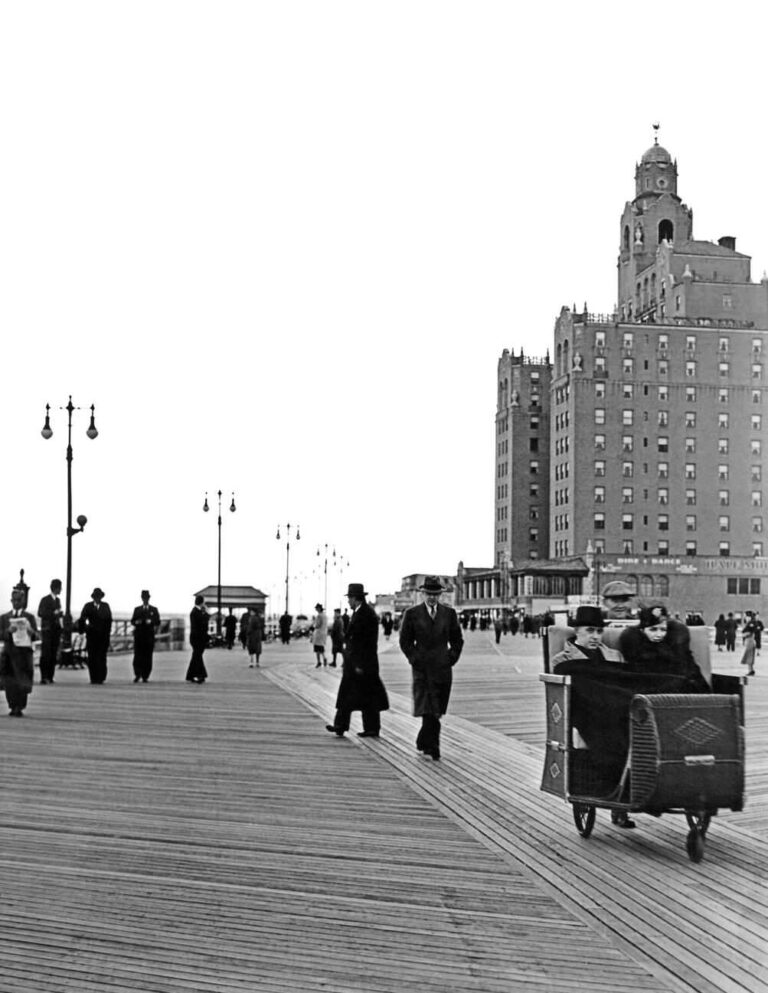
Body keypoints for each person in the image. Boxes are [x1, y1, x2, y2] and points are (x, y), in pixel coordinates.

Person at [398, 576, 464, 761]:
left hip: (442, 669)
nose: (432, 598)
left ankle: (423, 741)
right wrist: (414, 659)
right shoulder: (412, 614)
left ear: (440, 595)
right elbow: (405, 641)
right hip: (422, 669)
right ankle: (434, 747)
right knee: (429, 709)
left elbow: (457, 640)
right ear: (423, 594)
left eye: (435, 594)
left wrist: (451, 658)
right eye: (429, 594)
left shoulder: (449, 614)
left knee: (437, 710)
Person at [326, 583, 389, 738]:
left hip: (362, 664)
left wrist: (360, 664)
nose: (348, 602)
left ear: (355, 599)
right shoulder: (361, 612)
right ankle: (342, 725)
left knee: (366, 697)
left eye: (349, 598)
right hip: (356, 662)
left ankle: (368, 728)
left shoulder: (366, 615)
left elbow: (367, 643)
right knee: (354, 695)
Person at [618, 604, 709, 692]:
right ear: (642, 630)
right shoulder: (638, 650)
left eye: (663, 630)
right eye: (653, 629)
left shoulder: (677, 648)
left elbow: (692, 672)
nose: (659, 634)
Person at [0, 588, 38, 716]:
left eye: (19, 600)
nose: (16, 603)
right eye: (14, 600)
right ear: (11, 601)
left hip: (23, 654)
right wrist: (8, 632)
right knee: (10, 682)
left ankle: (20, 706)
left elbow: (36, 636)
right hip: (9, 654)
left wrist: (31, 632)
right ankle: (12, 706)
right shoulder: (4, 618)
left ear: (23, 601)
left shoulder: (29, 617)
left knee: (22, 682)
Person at [77, 587, 113, 684]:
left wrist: (107, 635)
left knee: (102, 656)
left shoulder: (105, 606)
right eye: (96, 597)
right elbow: (82, 619)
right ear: (93, 597)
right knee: (92, 657)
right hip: (92, 635)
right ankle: (93, 677)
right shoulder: (88, 606)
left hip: (103, 636)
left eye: (99, 597)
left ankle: (101, 677)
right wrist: (83, 629)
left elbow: (109, 621)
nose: (97, 598)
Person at [130, 590, 161, 683]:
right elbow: (132, 621)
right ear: (142, 598)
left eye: (146, 598)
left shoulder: (153, 610)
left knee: (148, 656)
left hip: (148, 636)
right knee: (137, 656)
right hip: (139, 636)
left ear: (148, 598)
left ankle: (145, 675)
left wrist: (151, 622)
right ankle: (137, 674)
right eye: (144, 598)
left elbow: (158, 621)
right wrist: (136, 622)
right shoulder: (137, 609)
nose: (145, 599)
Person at [37, 578, 63, 684]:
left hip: (55, 630)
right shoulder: (45, 600)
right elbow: (40, 613)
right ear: (56, 588)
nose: (61, 590)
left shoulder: (57, 600)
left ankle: (50, 676)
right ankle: (44, 677)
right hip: (47, 630)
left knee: (53, 653)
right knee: (46, 653)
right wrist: (54, 613)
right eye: (60, 588)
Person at [186, 595, 209, 683]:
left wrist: (204, 612)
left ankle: (191, 675)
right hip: (197, 638)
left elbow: (206, 618)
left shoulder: (198, 611)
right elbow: (200, 624)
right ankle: (200, 675)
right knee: (198, 656)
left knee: (196, 656)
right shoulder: (194, 612)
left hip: (199, 638)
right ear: (201, 602)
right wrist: (204, 613)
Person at [312, 603, 328, 668]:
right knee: (321, 648)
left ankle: (319, 662)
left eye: (316, 608)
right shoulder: (325, 615)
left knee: (317, 648)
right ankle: (324, 658)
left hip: (318, 634)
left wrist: (314, 626)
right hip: (324, 633)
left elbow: (318, 625)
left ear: (318, 609)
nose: (316, 609)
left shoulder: (319, 616)